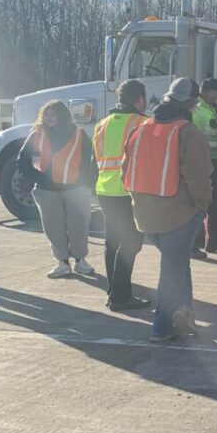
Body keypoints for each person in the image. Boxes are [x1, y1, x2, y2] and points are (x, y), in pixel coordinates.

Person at [123, 77, 212, 342]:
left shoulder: (141, 129)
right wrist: (203, 207)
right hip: (179, 214)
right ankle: (162, 326)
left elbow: (125, 171)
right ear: (192, 104)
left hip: (146, 214)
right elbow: (198, 178)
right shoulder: (188, 133)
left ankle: (184, 314)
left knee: (177, 264)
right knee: (172, 270)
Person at [19, 100, 96, 278]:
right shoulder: (37, 135)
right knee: (53, 227)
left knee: (79, 226)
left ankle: (80, 261)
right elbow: (22, 160)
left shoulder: (79, 134)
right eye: (46, 114)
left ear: (62, 115)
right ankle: (62, 262)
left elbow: (91, 160)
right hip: (47, 190)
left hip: (75, 188)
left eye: (52, 114)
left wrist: (87, 183)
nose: (48, 118)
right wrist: (38, 177)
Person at [93, 79, 150, 311]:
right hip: (129, 191)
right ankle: (120, 296)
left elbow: (95, 159)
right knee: (132, 243)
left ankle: (113, 291)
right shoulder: (143, 123)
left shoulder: (102, 124)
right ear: (140, 99)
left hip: (104, 189)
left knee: (113, 242)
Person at [192, 77, 217, 254]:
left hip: (215, 161)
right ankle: (208, 240)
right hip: (206, 162)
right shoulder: (199, 111)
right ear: (208, 92)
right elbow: (199, 137)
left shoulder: (210, 109)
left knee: (216, 203)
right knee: (213, 203)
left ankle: (211, 240)